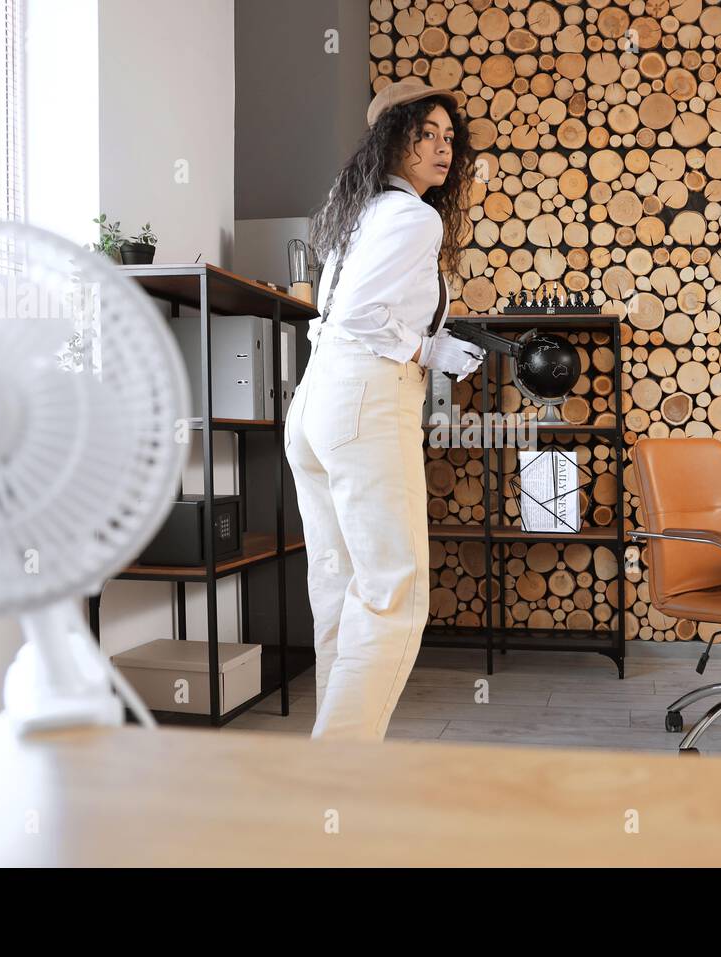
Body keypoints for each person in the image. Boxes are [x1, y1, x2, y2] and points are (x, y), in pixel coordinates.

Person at [284, 80, 484, 741]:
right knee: (394, 593)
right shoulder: (414, 218)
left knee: (341, 589)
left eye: (448, 137)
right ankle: (338, 769)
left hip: (316, 404)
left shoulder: (359, 213)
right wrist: (432, 348)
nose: (440, 148)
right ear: (393, 139)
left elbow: (335, 312)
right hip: (365, 402)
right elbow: (367, 316)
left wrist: (426, 343)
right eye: (424, 133)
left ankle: (331, 769)